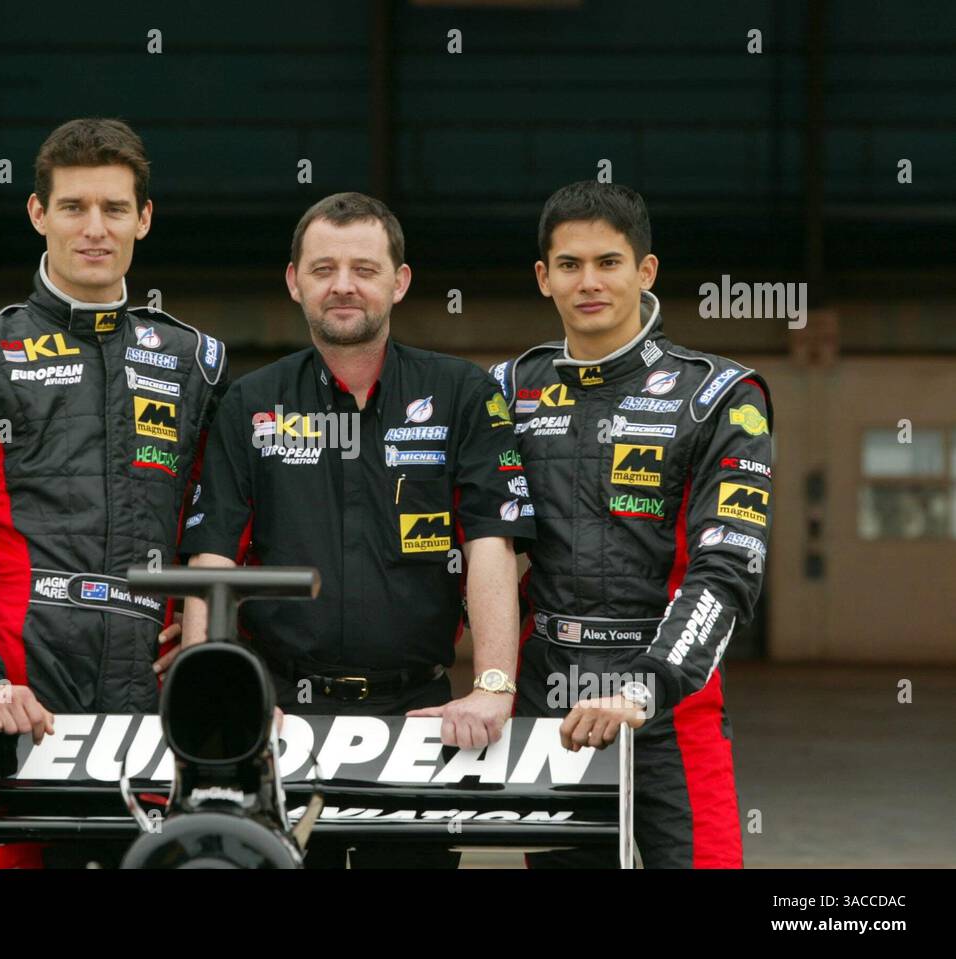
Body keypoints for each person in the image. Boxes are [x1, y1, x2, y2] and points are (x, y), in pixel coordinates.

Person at [177, 192, 535, 868]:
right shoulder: (251, 404)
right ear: (294, 281)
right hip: (280, 717)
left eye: (365, 269)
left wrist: (492, 684)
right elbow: (211, 556)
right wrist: (221, 694)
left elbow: (492, 541)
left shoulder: (463, 393)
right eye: (324, 269)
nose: (344, 285)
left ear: (399, 282)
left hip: (421, 720)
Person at [0, 118, 228, 765]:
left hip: (159, 694)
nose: (95, 228)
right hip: (22, 694)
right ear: (38, 213)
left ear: (145, 218)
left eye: (115, 208)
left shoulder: (197, 364)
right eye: (74, 206)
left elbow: (224, 526)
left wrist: (210, 626)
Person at [493, 181, 773, 868]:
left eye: (608, 262)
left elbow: (729, 569)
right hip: (551, 704)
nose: (589, 282)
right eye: (570, 264)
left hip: (671, 704)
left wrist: (646, 686)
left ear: (645, 271)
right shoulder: (505, 391)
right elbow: (475, 548)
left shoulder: (720, 396)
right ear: (544, 277)